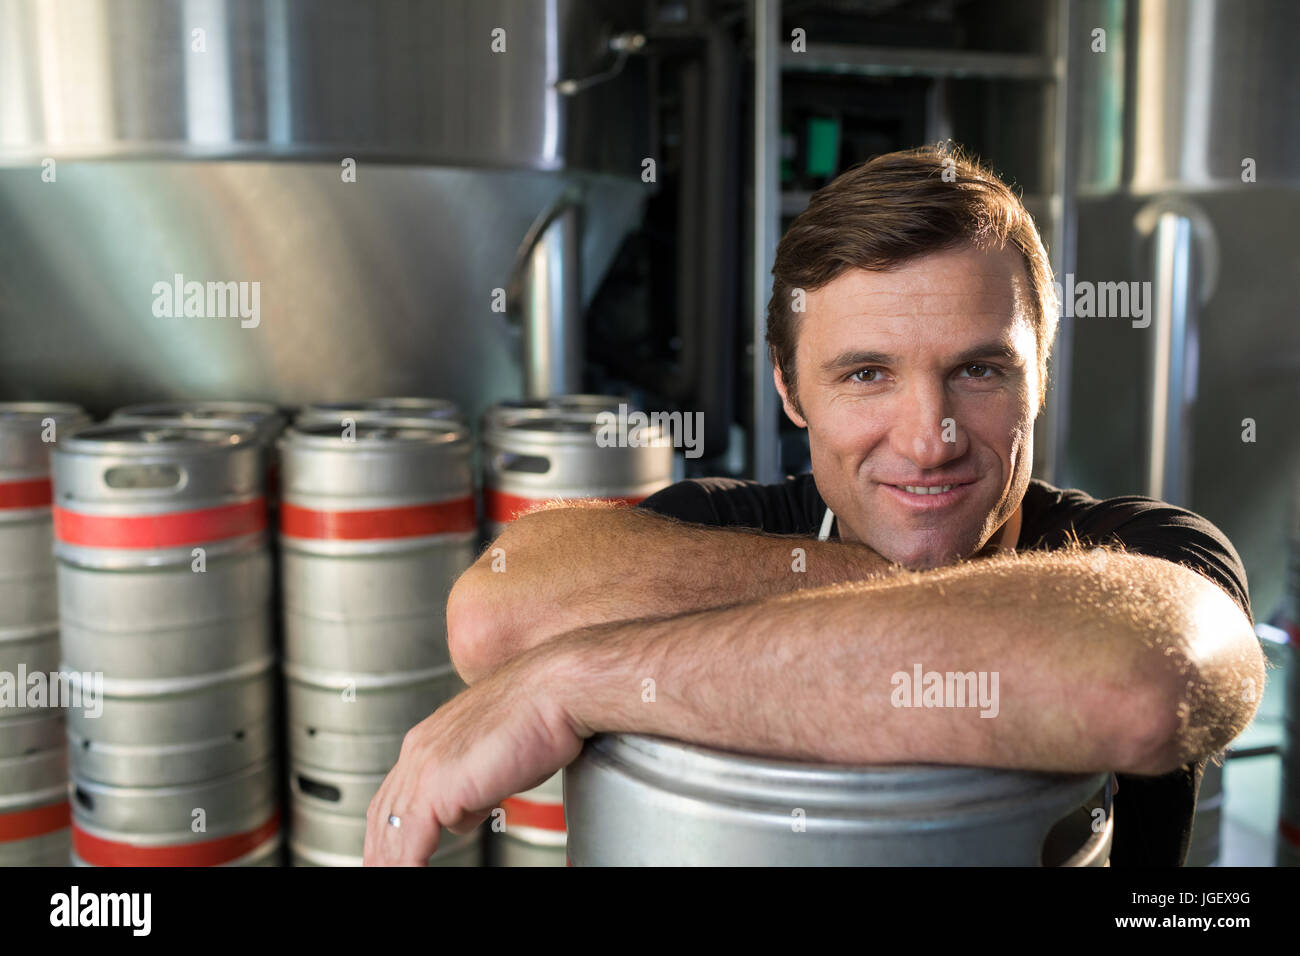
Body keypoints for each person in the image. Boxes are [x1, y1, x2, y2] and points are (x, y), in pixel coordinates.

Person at [363, 146, 1264, 867]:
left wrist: (576, 680)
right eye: (866, 375)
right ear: (791, 389)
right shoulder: (736, 530)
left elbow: (1142, 687)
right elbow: (495, 611)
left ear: (1040, 376)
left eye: (978, 370)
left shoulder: (1144, 547)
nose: (928, 438)